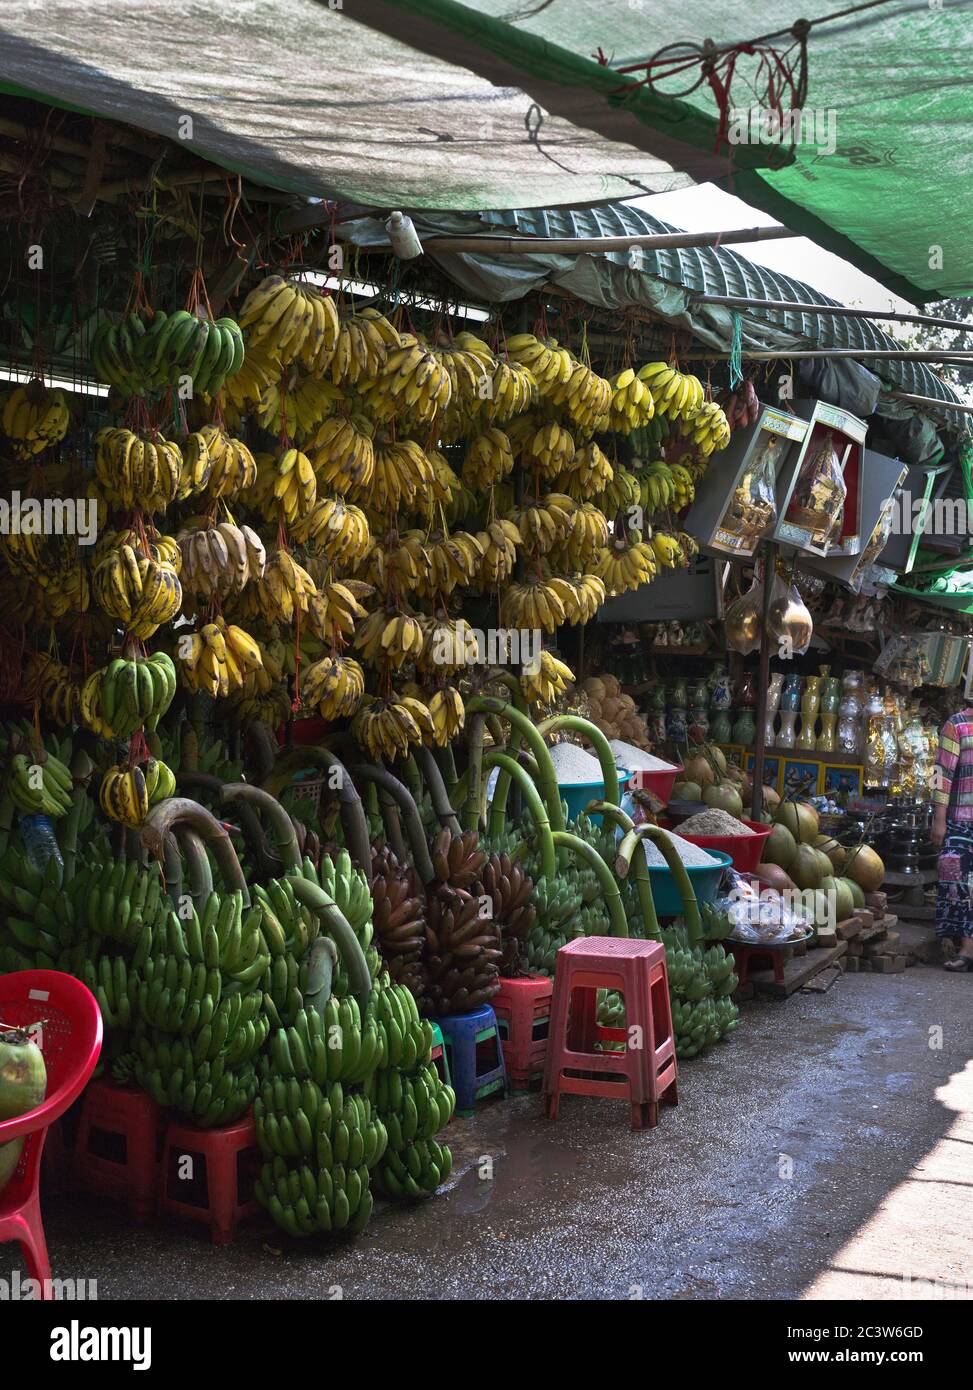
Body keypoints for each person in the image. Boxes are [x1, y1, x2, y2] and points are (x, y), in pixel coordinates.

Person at [932, 705, 973, 972]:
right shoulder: (956, 725)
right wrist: (939, 819)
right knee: (957, 882)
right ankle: (966, 948)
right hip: (960, 821)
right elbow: (940, 776)